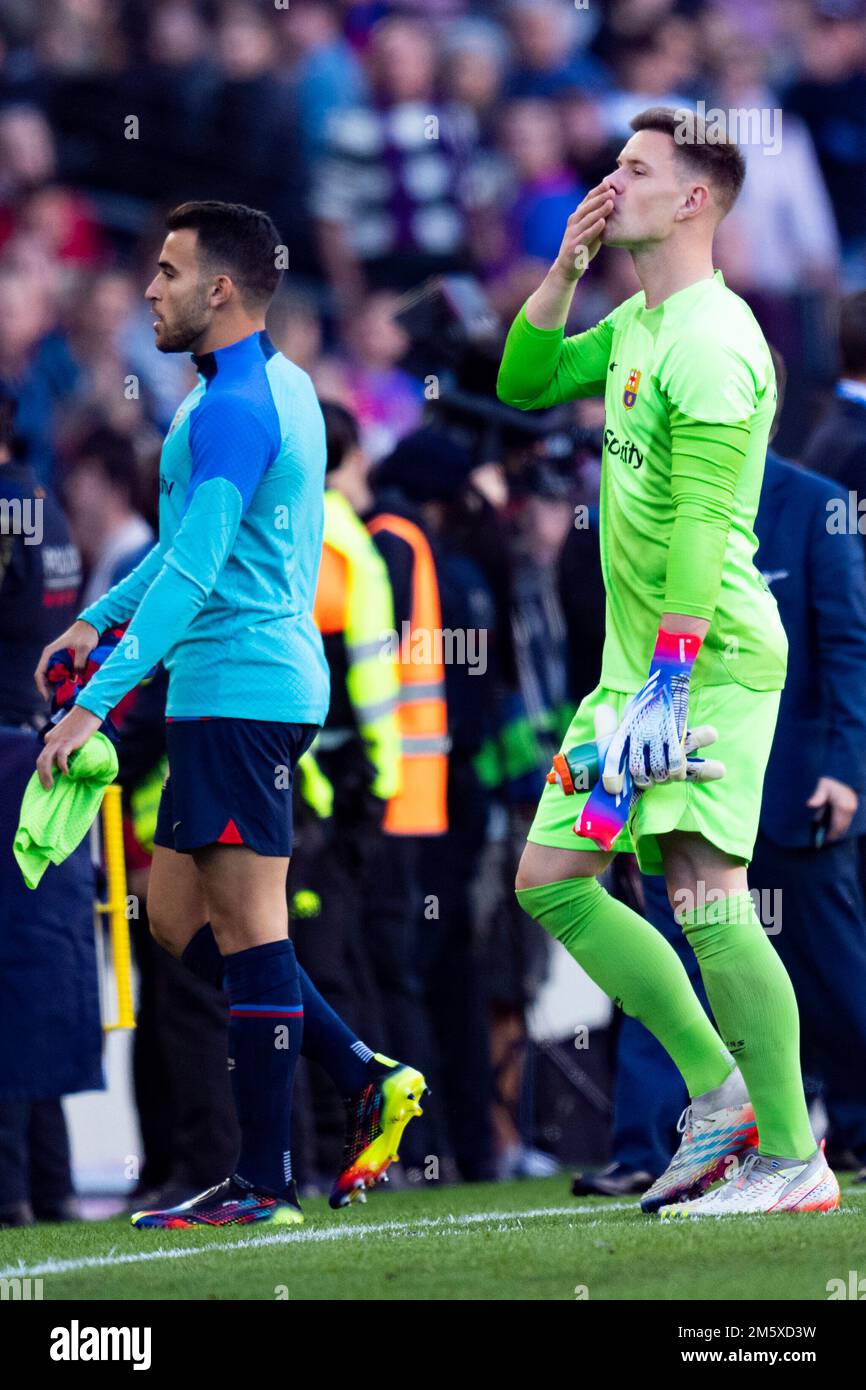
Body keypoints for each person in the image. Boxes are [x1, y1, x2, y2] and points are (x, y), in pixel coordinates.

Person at [33, 200, 424, 1229]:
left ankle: (264, 1183)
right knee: (175, 922)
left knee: (249, 933)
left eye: (166, 272)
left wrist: (96, 709)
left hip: (242, 691)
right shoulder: (267, 387)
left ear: (218, 288)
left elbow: (200, 566)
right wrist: (97, 620)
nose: (148, 290)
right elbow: (185, 546)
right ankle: (357, 1068)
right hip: (230, 690)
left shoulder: (234, 408)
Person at [497, 106, 840, 1218]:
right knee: (550, 881)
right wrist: (561, 267)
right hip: (631, 672)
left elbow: (703, 521)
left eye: (634, 170)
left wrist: (672, 673)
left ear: (692, 199)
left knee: (704, 892)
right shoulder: (638, 320)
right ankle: (718, 1092)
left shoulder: (712, 338)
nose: (610, 182)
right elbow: (522, 378)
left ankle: (793, 1155)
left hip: (707, 660)